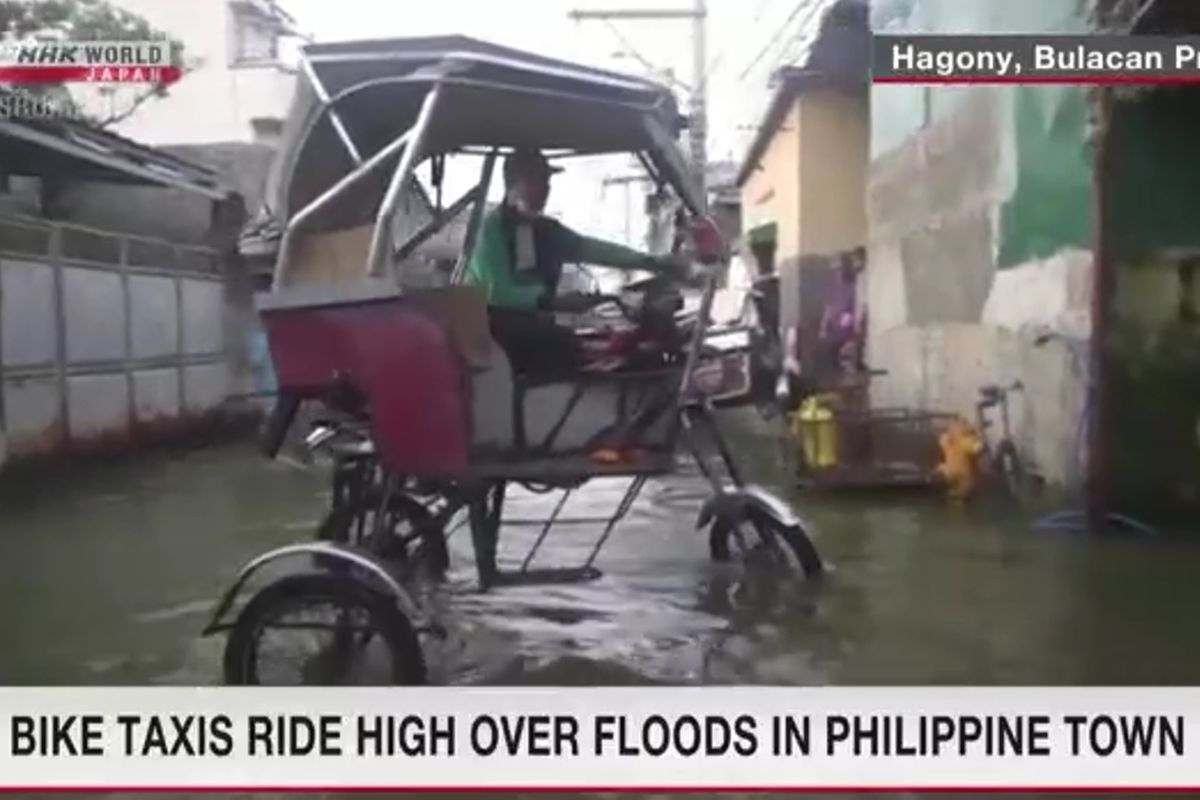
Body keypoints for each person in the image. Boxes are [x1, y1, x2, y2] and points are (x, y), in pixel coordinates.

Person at [465, 148, 686, 380]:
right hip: (495, 337)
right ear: (515, 183)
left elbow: (593, 249)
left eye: (547, 181)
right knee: (562, 343)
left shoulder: (547, 230)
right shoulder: (491, 229)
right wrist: (555, 301)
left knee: (592, 343)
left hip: (537, 327)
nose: (546, 189)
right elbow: (498, 293)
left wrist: (654, 263)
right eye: (538, 180)